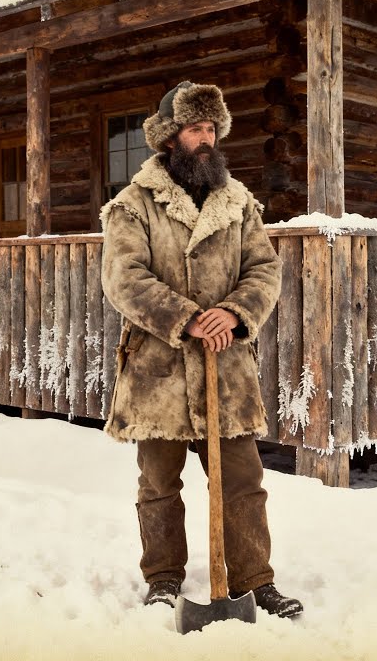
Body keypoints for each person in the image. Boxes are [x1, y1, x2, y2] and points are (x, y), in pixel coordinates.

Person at [100, 81, 303, 619]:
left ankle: (255, 581)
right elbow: (124, 279)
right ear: (170, 138)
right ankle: (163, 578)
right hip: (158, 371)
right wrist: (188, 318)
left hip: (227, 364)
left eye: (212, 128)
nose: (207, 138)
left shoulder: (238, 205)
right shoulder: (132, 206)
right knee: (159, 484)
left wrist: (234, 313)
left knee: (243, 481)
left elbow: (265, 269)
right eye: (196, 129)